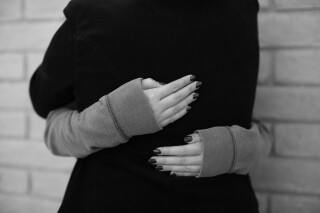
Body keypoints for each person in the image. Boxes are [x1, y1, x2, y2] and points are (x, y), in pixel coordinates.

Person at [29, 0, 270, 212]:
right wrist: (239, 149)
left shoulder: (91, 11)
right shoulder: (245, 7)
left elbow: (44, 104)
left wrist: (112, 118)